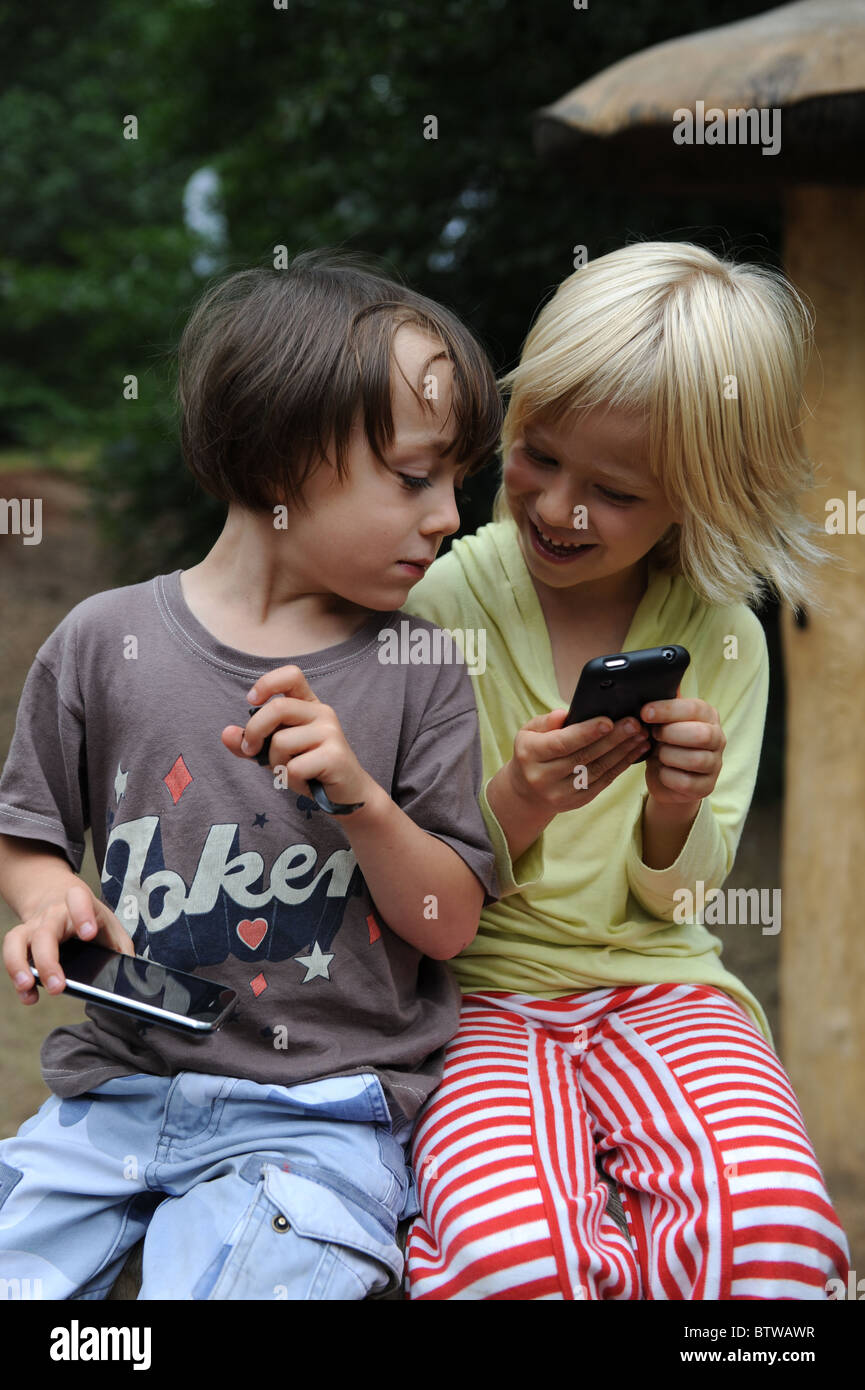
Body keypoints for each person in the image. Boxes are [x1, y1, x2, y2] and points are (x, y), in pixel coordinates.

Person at [0, 250, 504, 1300]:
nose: (450, 514)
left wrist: (361, 801)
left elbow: (448, 922)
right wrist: (50, 898)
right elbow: (29, 825)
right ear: (280, 460)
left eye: (457, 480)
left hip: (316, 1117)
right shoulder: (105, 641)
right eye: (415, 478)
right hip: (121, 1093)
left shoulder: (419, 671)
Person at [400, 240, 852, 1300]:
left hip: (664, 984)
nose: (560, 508)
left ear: (697, 498)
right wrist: (518, 799)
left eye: (615, 490)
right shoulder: (434, 608)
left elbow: (681, 898)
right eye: (540, 457)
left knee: (770, 1231)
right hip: (479, 993)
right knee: (516, 1255)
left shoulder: (722, 637)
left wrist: (675, 805)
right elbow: (418, 891)